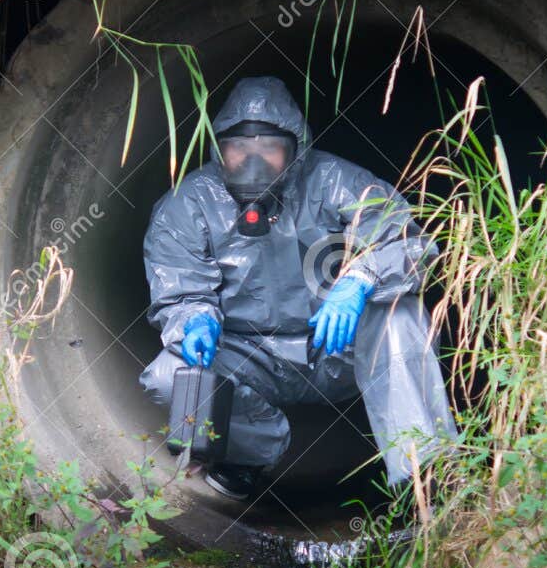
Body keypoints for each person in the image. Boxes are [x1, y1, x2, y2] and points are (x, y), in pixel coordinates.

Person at [138, 75, 458, 501]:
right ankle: (250, 453)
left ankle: (424, 472)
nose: (254, 162)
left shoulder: (332, 180)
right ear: (220, 149)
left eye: (269, 148)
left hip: (337, 348)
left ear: (295, 148)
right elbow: (178, 288)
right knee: (168, 374)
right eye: (239, 148)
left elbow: (409, 243)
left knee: (399, 314)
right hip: (250, 356)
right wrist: (192, 320)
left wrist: (361, 280)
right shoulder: (189, 202)